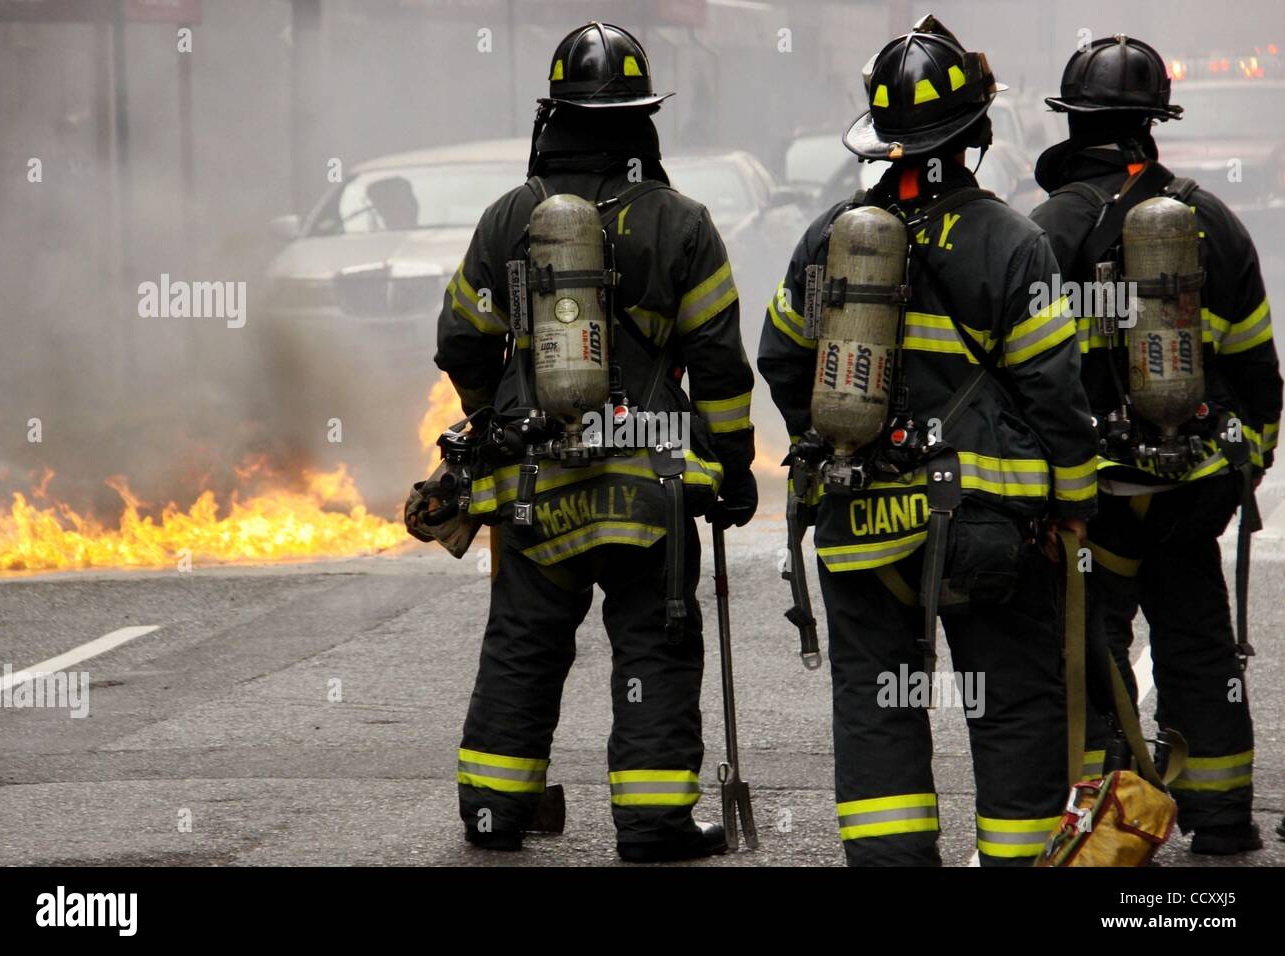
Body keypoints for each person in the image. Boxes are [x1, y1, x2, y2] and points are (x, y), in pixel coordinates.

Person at [758, 15, 1099, 866]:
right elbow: (1056, 394)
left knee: (879, 705)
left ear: (880, 145)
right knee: (1014, 705)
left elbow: (779, 358)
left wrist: (827, 445)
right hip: (990, 532)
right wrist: (1076, 503)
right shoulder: (1016, 244)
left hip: (860, 522)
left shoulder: (829, 239)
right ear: (978, 132)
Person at [433, 21, 757, 862]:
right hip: (649, 488)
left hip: (535, 485)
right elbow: (719, 366)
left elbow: (462, 337)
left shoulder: (510, 218)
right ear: (642, 121)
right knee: (655, 642)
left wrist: (495, 421)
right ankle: (653, 826)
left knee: (525, 642)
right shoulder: (681, 223)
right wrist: (732, 469)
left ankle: (495, 813)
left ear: (556, 117)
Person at [1031, 35, 1282, 855]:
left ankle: (1112, 820)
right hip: (1189, 490)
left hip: (1090, 500)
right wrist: (1234, 482)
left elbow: (1021, 378)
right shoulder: (1212, 222)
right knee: (1200, 643)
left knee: (1094, 652)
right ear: (1153, 123)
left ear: (1072, 124)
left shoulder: (1040, 232)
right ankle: (1224, 817)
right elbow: (1258, 377)